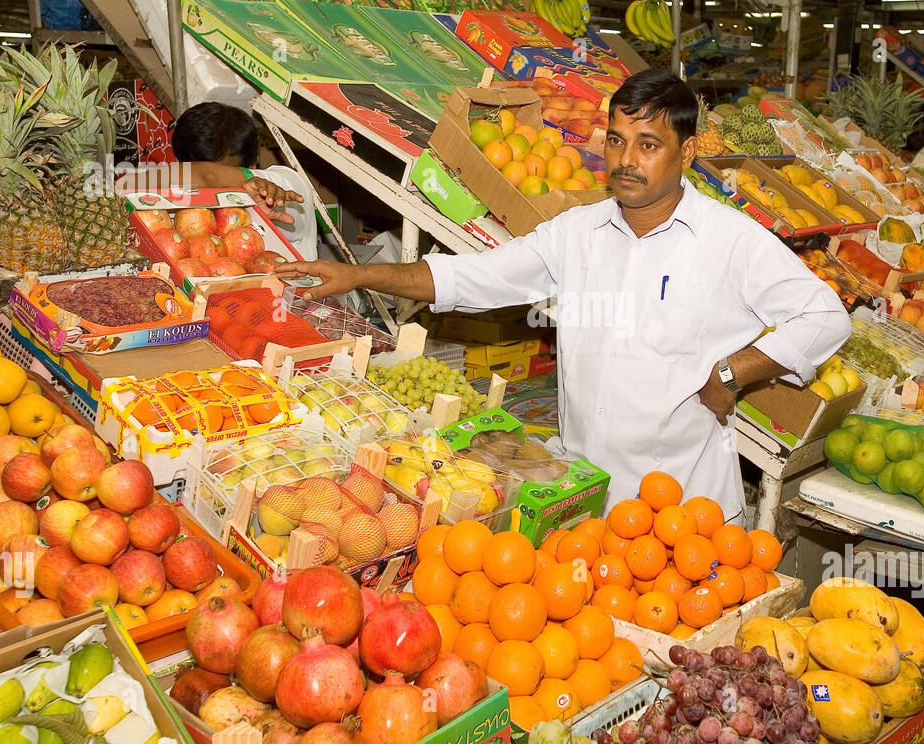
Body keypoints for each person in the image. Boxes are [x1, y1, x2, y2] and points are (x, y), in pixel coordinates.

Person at [277, 69, 851, 520]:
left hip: (685, 513)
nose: (626, 161)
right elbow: (473, 277)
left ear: (689, 151)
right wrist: (358, 276)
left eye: (648, 145)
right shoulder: (577, 232)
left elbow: (825, 315)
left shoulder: (731, 240)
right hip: (588, 501)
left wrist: (733, 373)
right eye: (618, 141)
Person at [147, 102, 317, 261]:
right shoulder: (181, 207)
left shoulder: (286, 184)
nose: (206, 189)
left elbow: (207, 176)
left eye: (223, 174)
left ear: (252, 164)